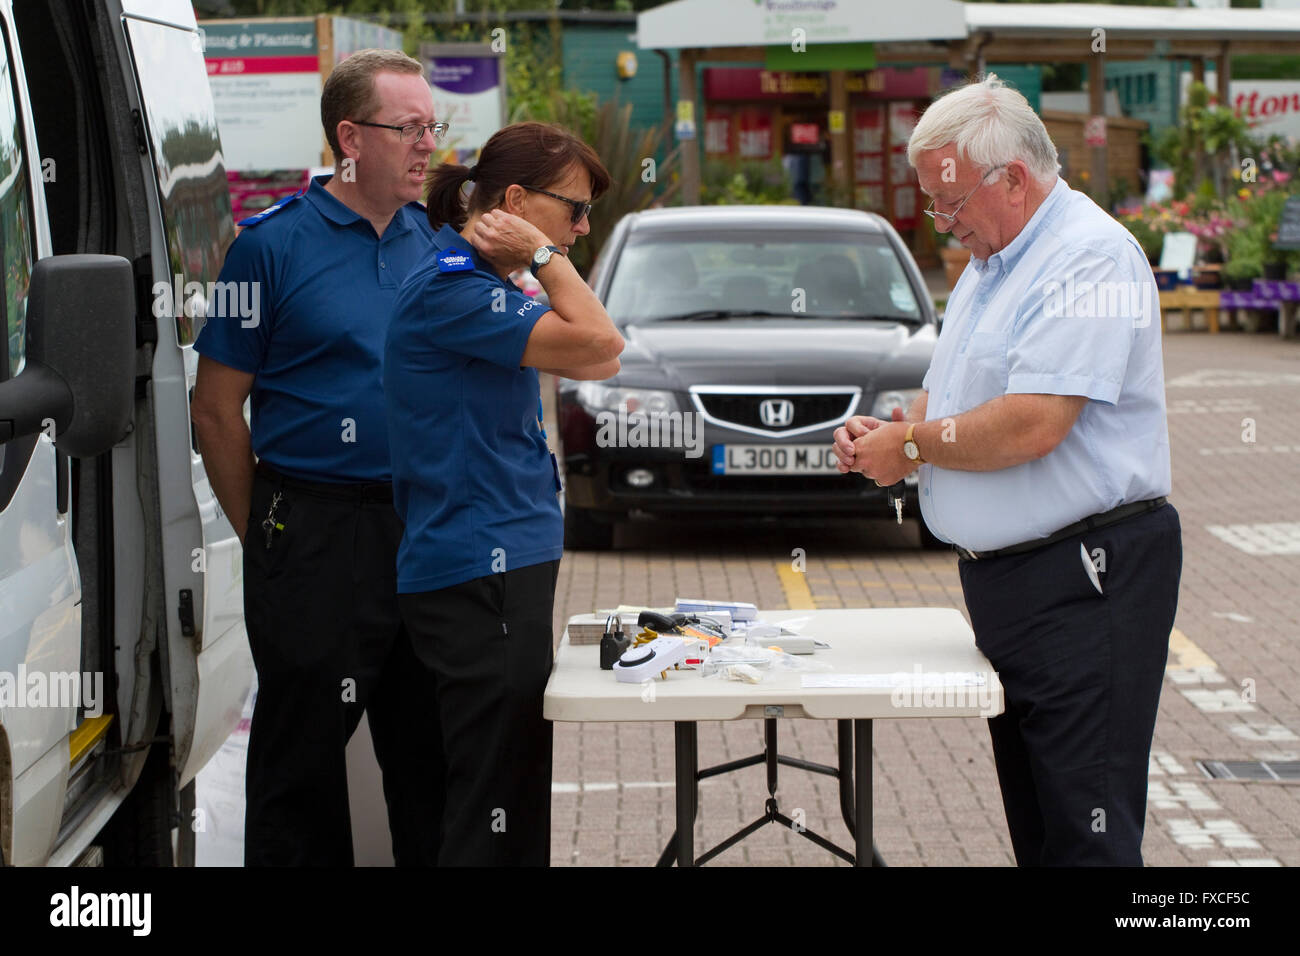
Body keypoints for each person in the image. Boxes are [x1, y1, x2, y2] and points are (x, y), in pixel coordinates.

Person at [832, 75, 1182, 866]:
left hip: (1087, 578)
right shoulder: (995, 263)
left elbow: (1033, 424)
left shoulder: (1086, 259)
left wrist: (913, 448)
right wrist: (892, 438)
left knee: (1083, 830)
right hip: (1018, 583)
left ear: (1013, 180)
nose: (941, 223)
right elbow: (950, 395)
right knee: (1042, 823)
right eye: (931, 203)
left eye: (948, 203)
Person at [190, 49, 442, 866]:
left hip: (422, 532)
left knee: (430, 760)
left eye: (432, 126)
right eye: (408, 128)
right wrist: (267, 529)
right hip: (311, 531)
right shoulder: (266, 249)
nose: (426, 144)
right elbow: (216, 409)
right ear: (350, 137)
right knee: (299, 769)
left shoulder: (435, 246)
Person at [384, 122, 622, 866]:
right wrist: (543, 255)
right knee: (497, 802)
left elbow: (599, 361)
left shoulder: (476, 285)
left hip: (493, 564)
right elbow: (603, 344)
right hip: (479, 570)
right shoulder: (454, 291)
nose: (581, 228)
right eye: (573, 210)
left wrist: (537, 257)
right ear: (516, 202)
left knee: (499, 793)